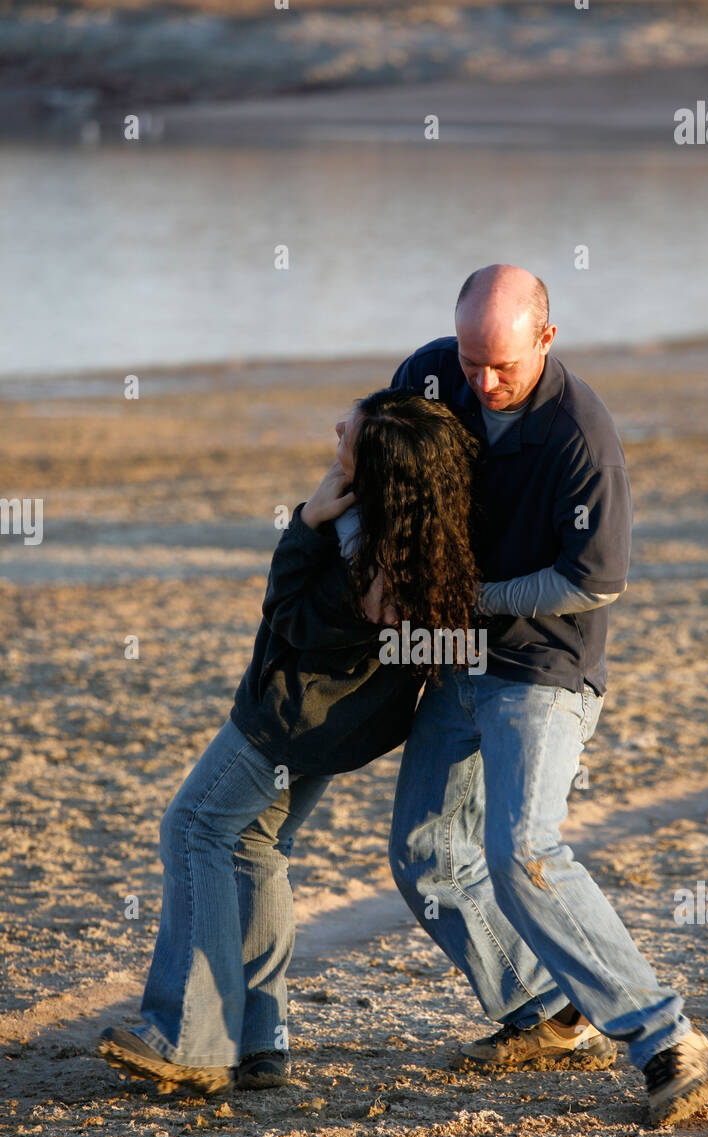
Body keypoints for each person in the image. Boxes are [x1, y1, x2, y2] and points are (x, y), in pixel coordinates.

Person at [386, 264, 708, 1127]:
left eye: (501, 365)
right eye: (471, 361)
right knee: (423, 852)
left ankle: (667, 1039)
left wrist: (480, 600)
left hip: (543, 666)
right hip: (454, 659)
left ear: (547, 337)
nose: (482, 382)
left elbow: (597, 579)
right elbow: (374, 452)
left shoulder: (584, 438)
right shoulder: (435, 375)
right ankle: (543, 1011)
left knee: (523, 852)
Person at [98, 389, 481, 1096]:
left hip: (288, 721)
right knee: (256, 846)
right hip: (342, 729)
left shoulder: (361, 563)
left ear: (379, 473)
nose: (339, 428)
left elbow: (286, 614)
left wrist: (306, 522)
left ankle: (189, 1038)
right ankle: (259, 1039)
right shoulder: (429, 538)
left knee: (193, 830)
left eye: (354, 435)